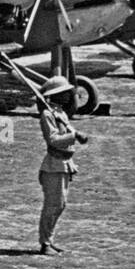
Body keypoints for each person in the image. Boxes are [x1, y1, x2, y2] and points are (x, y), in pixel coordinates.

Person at [35, 75, 89, 255]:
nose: (68, 95)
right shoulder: (47, 115)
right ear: (55, 95)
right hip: (54, 165)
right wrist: (74, 136)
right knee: (53, 204)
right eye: (64, 93)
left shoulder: (61, 113)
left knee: (60, 204)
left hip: (64, 163)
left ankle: (49, 239)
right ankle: (45, 243)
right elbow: (52, 140)